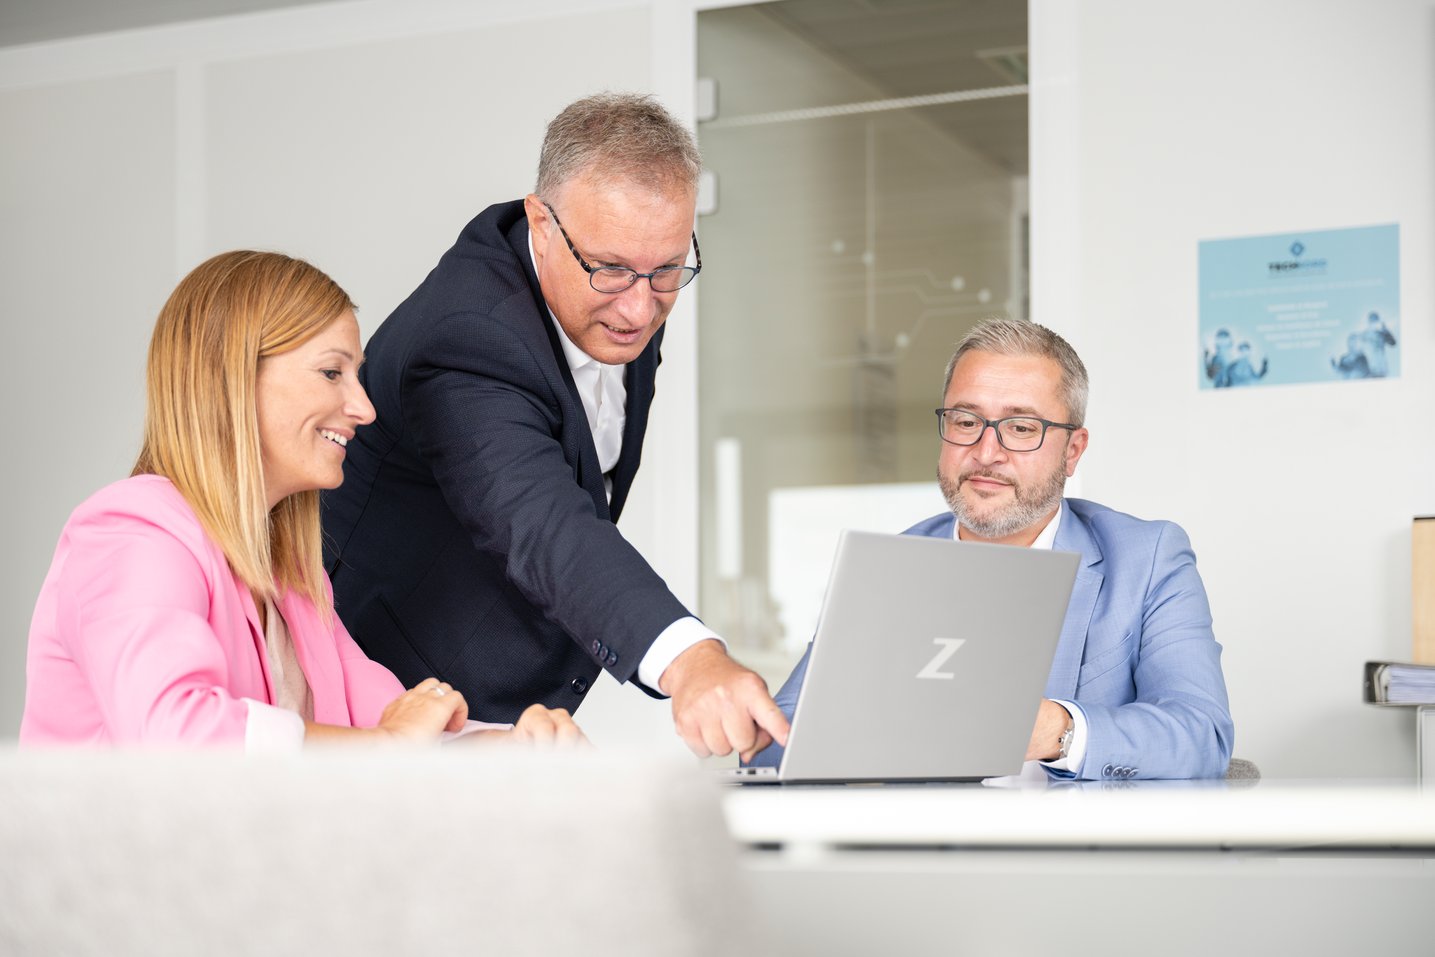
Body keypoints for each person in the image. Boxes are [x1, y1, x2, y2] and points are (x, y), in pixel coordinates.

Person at [322, 93, 787, 761]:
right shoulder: (466, 334)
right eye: (612, 269)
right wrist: (690, 661)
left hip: (517, 716)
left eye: (666, 270)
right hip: (387, 705)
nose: (638, 308)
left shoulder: (622, 297)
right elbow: (543, 522)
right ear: (541, 223)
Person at [21, 251, 582, 749]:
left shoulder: (293, 583)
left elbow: (393, 735)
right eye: (332, 372)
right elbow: (175, 731)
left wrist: (514, 750)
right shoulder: (134, 533)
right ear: (233, 378)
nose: (363, 408)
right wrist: (387, 743)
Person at [749, 317, 1234, 780]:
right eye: (965, 421)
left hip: (1076, 855)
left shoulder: (1148, 559)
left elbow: (1201, 733)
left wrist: (1056, 731)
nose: (985, 452)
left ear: (1072, 451)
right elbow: (780, 741)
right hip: (919, 851)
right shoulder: (886, 569)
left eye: (1021, 428)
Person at [1359, 311, 1396, 377]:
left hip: (1381, 368)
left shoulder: (1382, 333)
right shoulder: (1365, 334)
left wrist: (1386, 331)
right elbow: (1359, 349)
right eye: (1372, 321)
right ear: (1369, 322)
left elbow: (1393, 343)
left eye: (1376, 320)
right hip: (1369, 369)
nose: (1374, 323)